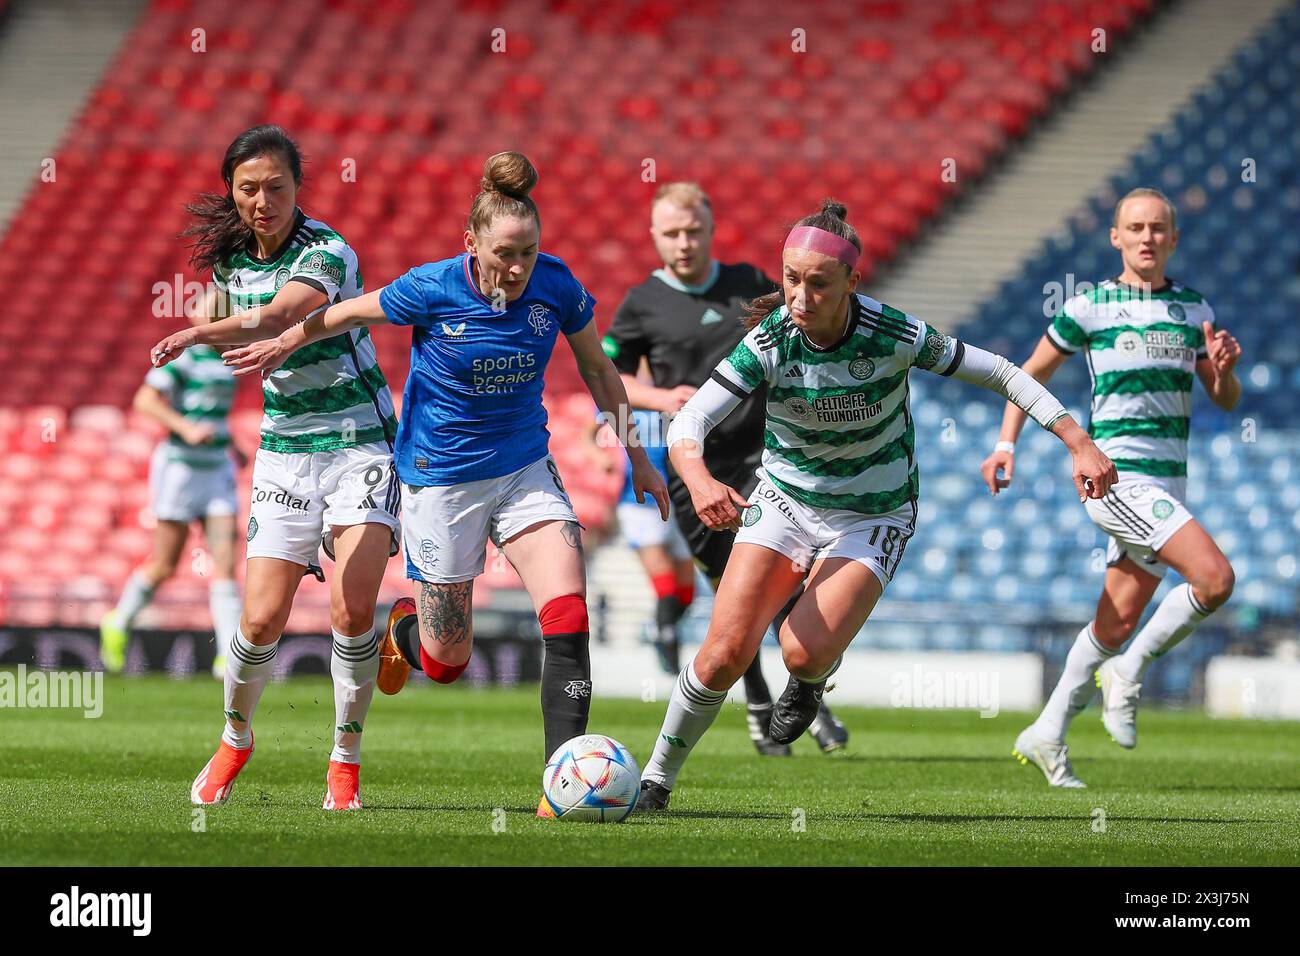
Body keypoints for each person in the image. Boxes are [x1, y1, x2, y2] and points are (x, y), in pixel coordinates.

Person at [219, 151, 669, 817]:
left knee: (568, 615)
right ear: (471, 245)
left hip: (523, 469)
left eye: (529, 252)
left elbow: (600, 373)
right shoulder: (432, 286)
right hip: (440, 483)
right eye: (504, 254)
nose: (516, 269)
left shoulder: (558, 286)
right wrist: (285, 340)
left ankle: (559, 788)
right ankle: (404, 636)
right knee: (449, 661)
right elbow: (348, 314)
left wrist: (641, 458)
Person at [636, 200, 1117, 811]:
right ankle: (655, 781)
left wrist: (1076, 440)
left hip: (875, 511)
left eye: (818, 284)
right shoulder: (770, 340)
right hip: (785, 501)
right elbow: (689, 424)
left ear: (851, 283)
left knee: (800, 650)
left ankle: (808, 683)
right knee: (723, 654)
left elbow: (999, 371)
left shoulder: (894, 334)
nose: (800, 297)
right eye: (790, 279)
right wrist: (700, 481)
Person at [149, 125, 401, 811]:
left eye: (277, 187)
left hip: (359, 443)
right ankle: (235, 737)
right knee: (260, 623)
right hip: (285, 451)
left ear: (299, 187)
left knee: (351, 610)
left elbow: (289, 312)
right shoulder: (231, 262)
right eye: (249, 188)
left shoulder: (327, 250)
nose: (263, 201)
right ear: (232, 192)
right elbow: (256, 315)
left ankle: (344, 761)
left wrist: (199, 329)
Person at [984, 188, 1240, 787]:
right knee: (1215, 579)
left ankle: (1046, 732)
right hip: (1116, 476)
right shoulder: (1090, 307)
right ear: (1116, 238)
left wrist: (1223, 376)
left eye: (1158, 228)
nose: (1147, 236)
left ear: (1173, 239)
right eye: (1136, 227)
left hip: (1169, 483)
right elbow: (1027, 376)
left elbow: (1225, 400)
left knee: (1116, 621)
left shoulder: (1192, 308)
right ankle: (1129, 673)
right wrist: (1005, 444)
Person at [602, 181, 847, 756]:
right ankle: (764, 707)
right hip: (695, 470)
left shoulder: (748, 287)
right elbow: (611, 382)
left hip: (765, 457)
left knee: (780, 588)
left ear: (711, 231)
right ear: (654, 237)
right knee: (735, 602)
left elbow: (799, 341)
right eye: (672, 233)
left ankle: (798, 704)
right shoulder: (642, 302)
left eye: (693, 231)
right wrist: (661, 399)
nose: (684, 243)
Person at [100, 339, 245, 679]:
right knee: (165, 564)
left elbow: (213, 411)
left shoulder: (228, 357)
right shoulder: (186, 360)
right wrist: (185, 429)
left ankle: (228, 656)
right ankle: (118, 621)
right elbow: (145, 400)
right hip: (180, 470)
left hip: (216, 469)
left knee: (225, 562)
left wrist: (233, 445)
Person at [586, 403, 696, 674]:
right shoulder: (624, 399)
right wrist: (601, 458)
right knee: (666, 585)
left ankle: (659, 628)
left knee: (687, 591)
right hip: (638, 502)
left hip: (675, 499)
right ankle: (670, 656)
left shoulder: (668, 394)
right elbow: (588, 433)